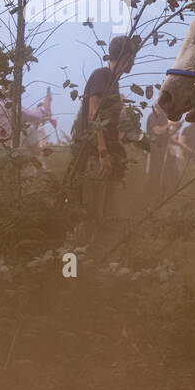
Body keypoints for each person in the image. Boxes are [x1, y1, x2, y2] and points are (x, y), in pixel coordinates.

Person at [73, 35, 140, 248]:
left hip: (106, 157)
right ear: (125, 56)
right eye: (132, 57)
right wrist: (102, 153)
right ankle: (79, 263)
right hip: (95, 156)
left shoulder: (113, 82)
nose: (133, 62)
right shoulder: (102, 75)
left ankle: (97, 265)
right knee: (91, 216)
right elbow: (95, 115)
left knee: (108, 216)